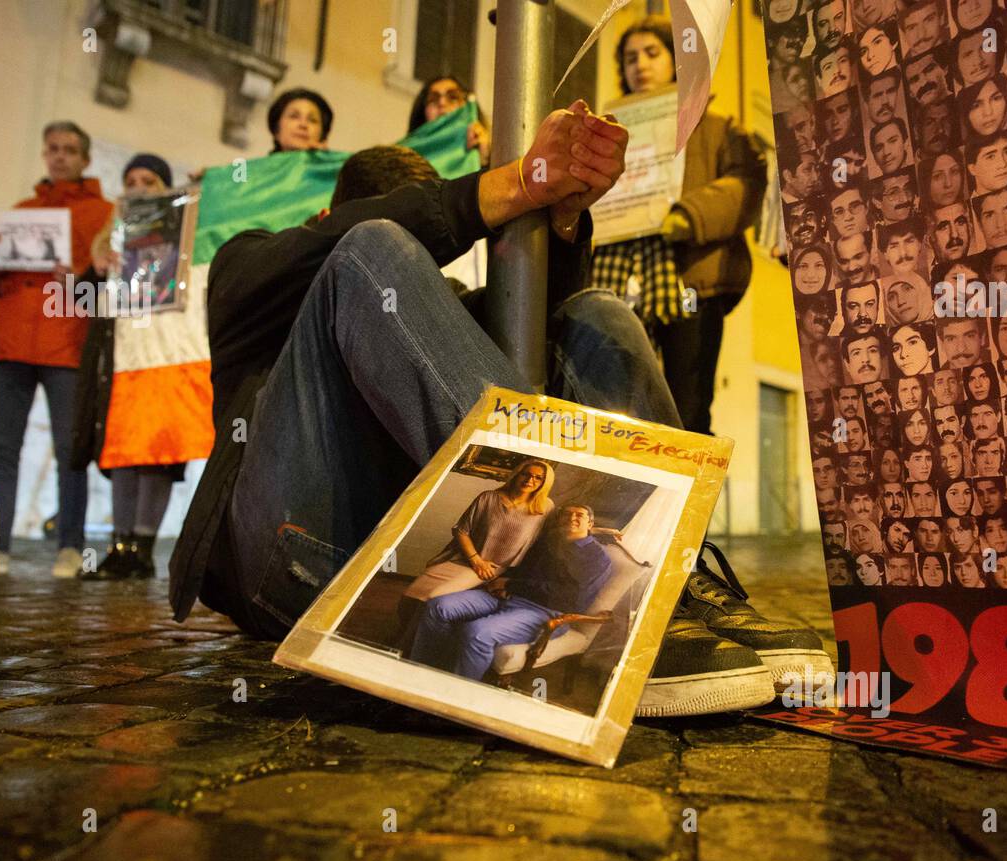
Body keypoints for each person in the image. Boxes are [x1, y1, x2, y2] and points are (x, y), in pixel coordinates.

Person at [168, 108, 826, 712]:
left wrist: (561, 219)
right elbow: (361, 247)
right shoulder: (252, 266)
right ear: (322, 218)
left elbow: (536, 346)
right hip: (293, 556)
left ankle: (666, 581)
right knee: (374, 250)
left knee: (597, 314)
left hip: (431, 573)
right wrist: (516, 185)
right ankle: (594, 612)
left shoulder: (432, 301)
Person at [588, 16, 766, 434]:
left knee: (688, 408)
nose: (641, 65)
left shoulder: (716, 128)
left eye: (653, 53)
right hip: (618, 279)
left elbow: (748, 183)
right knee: (616, 402)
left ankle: (688, 496)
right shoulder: (610, 132)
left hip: (690, 283)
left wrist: (689, 216)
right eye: (631, 57)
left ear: (677, 61)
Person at [0, 121, 114, 577]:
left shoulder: (104, 214)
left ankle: (71, 547)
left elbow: (105, 290)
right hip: (14, 341)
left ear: (85, 159)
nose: (59, 156)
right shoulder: (22, 209)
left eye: (69, 150)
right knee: (1, 450)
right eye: (52, 148)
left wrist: (77, 285)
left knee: (68, 449)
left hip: (66, 343)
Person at [71, 154, 196, 580]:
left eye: (149, 180)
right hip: (120, 364)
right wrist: (95, 270)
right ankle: (120, 546)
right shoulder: (108, 240)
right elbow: (80, 302)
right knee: (121, 452)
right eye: (131, 180)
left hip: (161, 357)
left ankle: (141, 548)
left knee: (154, 454)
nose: (138, 187)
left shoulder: (185, 234)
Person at [408, 503, 613, 681]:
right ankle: (424, 669)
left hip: (545, 612)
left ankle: (459, 692)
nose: (572, 517)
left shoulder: (596, 557)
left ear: (590, 524)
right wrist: (502, 583)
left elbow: (570, 597)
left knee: (477, 633)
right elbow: (521, 570)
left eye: (579, 515)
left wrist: (511, 585)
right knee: (438, 606)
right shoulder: (548, 541)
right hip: (506, 596)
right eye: (566, 514)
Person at [408, 75, 491, 166]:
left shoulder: (487, 155)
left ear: (468, 109)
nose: (442, 103)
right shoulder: (406, 158)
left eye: (453, 97)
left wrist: (485, 159)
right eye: (433, 99)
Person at [267, 87, 333, 152]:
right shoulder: (259, 163)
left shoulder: (340, 162)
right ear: (276, 130)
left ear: (322, 135)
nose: (303, 124)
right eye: (294, 116)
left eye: (312, 120)